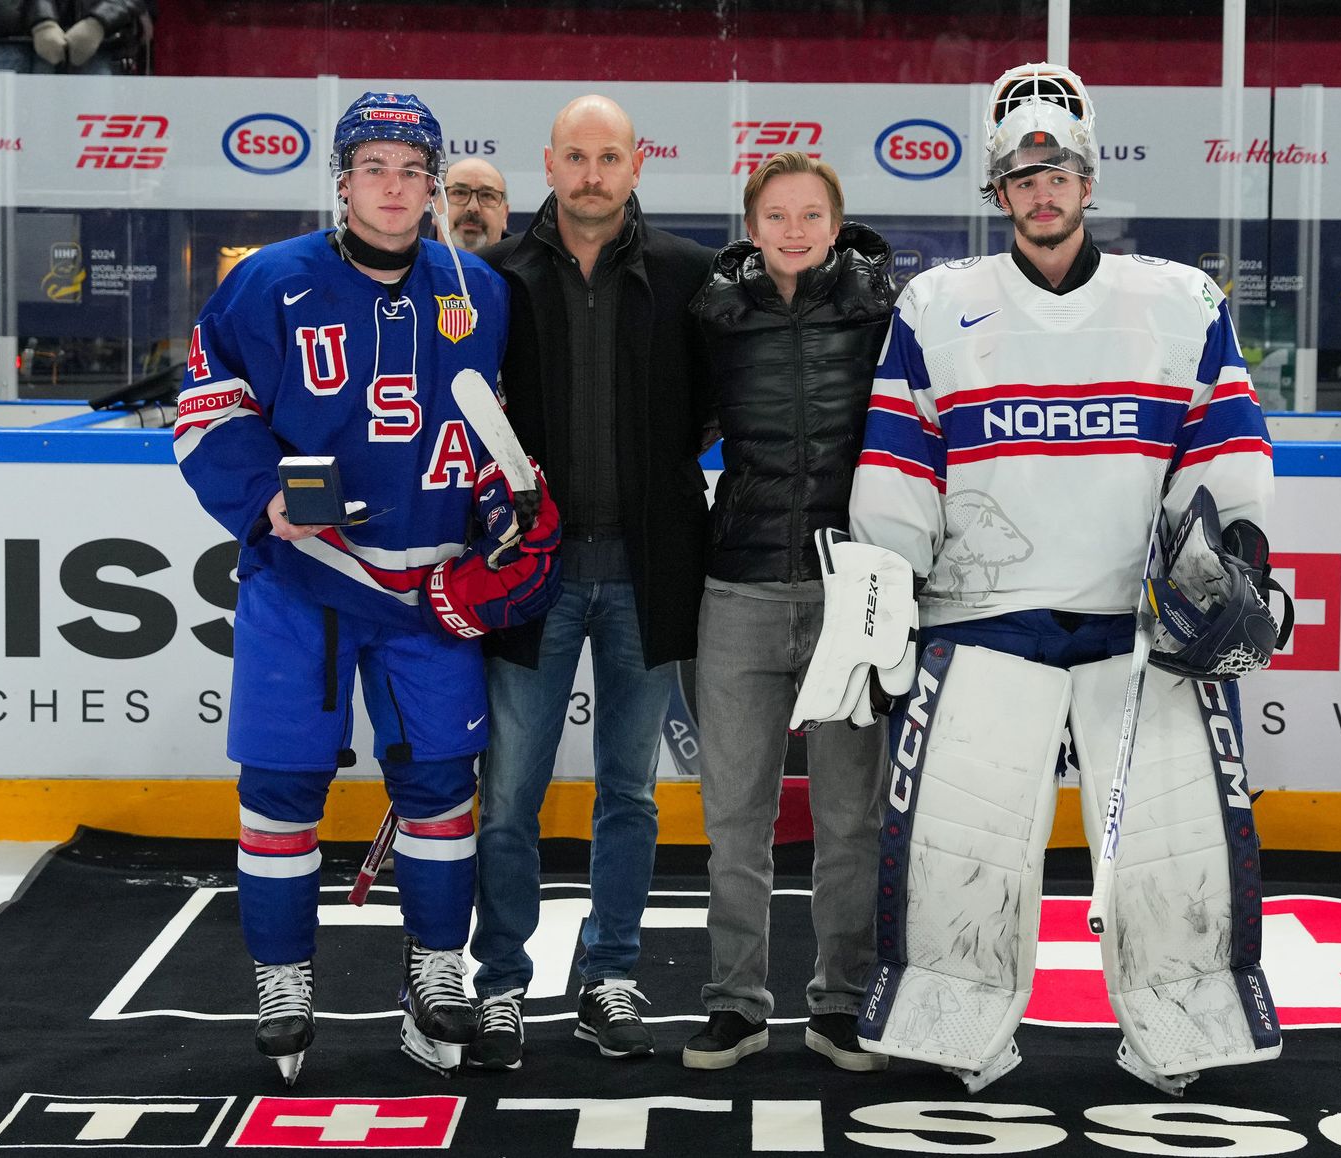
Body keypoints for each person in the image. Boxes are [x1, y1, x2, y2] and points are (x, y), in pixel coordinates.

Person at [796, 62, 1287, 1095]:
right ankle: (951, 1028)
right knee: (955, 854)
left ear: (1089, 178)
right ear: (998, 187)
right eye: (1023, 173)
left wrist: (1239, 563)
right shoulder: (935, 308)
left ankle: (1183, 1029)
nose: (1043, 188)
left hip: (1136, 629)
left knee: (1173, 849)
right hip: (986, 623)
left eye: (1058, 169)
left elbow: (1227, 463)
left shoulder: (1179, 303)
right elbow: (897, 475)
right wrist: (885, 615)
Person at [174, 91, 557, 1086]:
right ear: (342, 180)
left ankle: (435, 972)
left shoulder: (480, 288)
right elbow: (209, 407)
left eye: (411, 170)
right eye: (374, 168)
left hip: (429, 588)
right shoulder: (265, 284)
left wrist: (505, 503)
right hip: (302, 578)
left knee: (439, 789)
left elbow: (489, 428)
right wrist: (264, 500)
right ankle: (283, 977)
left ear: (436, 184)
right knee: (281, 787)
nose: (394, 188)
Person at [468, 93, 715, 1069]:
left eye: (609, 156)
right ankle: (498, 986)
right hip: (532, 583)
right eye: (576, 156)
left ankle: (610, 976)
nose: (592, 174)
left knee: (630, 792)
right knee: (509, 797)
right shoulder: (495, 280)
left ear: (638, 163)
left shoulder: (691, 277)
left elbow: (716, 408)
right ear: (550, 161)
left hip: (648, 575)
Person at [679, 152, 894, 1072]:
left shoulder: (885, 314)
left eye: (812, 214)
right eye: (778, 215)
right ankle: (737, 1004)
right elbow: (672, 431)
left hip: (855, 592)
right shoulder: (713, 319)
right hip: (739, 588)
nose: (795, 229)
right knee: (737, 813)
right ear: (752, 225)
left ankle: (841, 1004)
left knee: (851, 817)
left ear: (837, 225)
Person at [443, 157, 510, 250]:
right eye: (459, 193)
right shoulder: (415, 263)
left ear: (504, 215)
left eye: (487, 195)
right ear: (434, 207)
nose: (473, 207)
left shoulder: (533, 263)